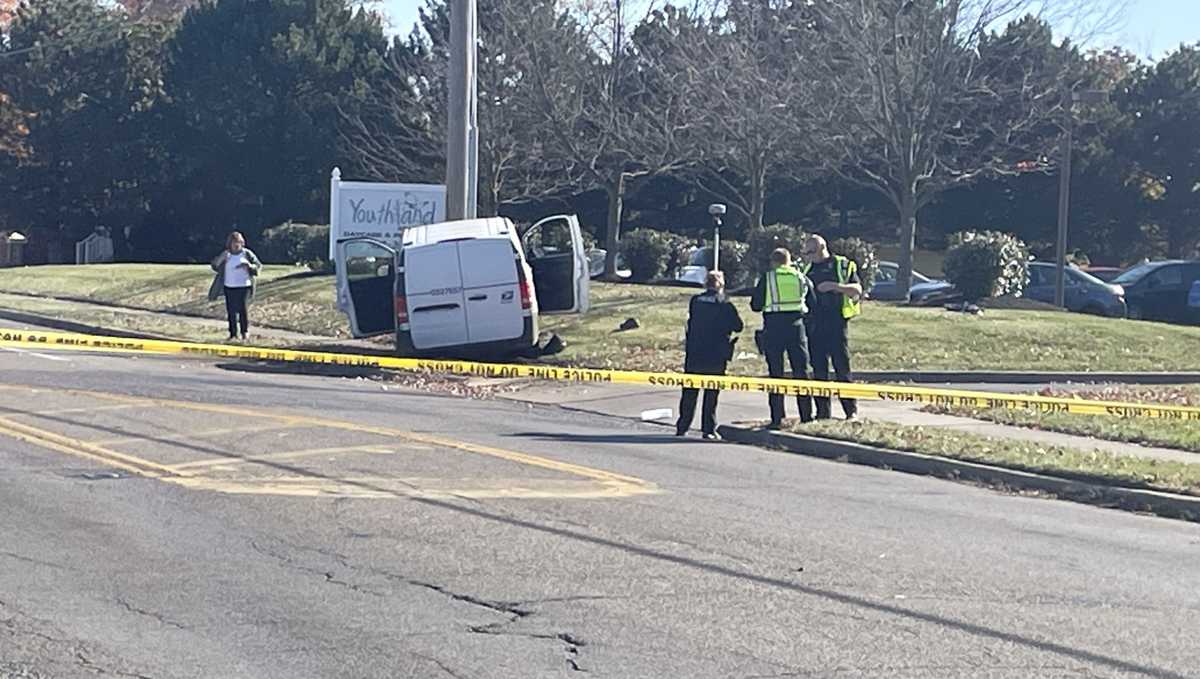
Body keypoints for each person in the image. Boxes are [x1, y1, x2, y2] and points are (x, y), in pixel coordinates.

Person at [751, 248, 816, 429]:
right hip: (796, 327)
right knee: (801, 372)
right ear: (789, 260)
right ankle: (806, 416)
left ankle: (777, 417)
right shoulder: (801, 277)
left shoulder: (768, 278)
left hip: (773, 328)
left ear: (773, 262)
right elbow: (813, 303)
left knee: (776, 373)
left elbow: (755, 305)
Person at [799, 235, 862, 420]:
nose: (807, 256)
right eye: (805, 253)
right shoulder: (807, 269)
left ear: (821, 248)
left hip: (836, 323)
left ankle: (851, 411)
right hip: (814, 325)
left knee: (842, 368)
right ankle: (823, 413)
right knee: (819, 371)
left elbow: (857, 290)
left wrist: (835, 287)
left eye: (810, 252)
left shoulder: (842, 265)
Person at [676, 271, 744, 440]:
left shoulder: (696, 301)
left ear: (706, 284)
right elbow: (738, 326)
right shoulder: (725, 304)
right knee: (711, 393)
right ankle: (708, 429)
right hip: (716, 354)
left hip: (695, 352)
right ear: (721, 285)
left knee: (690, 392)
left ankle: (682, 426)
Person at [208, 231, 262, 341]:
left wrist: (249, 266)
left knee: (242, 309)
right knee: (231, 311)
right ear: (230, 243)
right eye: (234, 242)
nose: (236, 245)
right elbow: (215, 266)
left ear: (242, 243)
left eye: (239, 242)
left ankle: (244, 332)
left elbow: (258, 266)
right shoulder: (226, 254)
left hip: (244, 285)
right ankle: (233, 334)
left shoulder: (247, 254)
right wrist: (222, 259)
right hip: (229, 286)